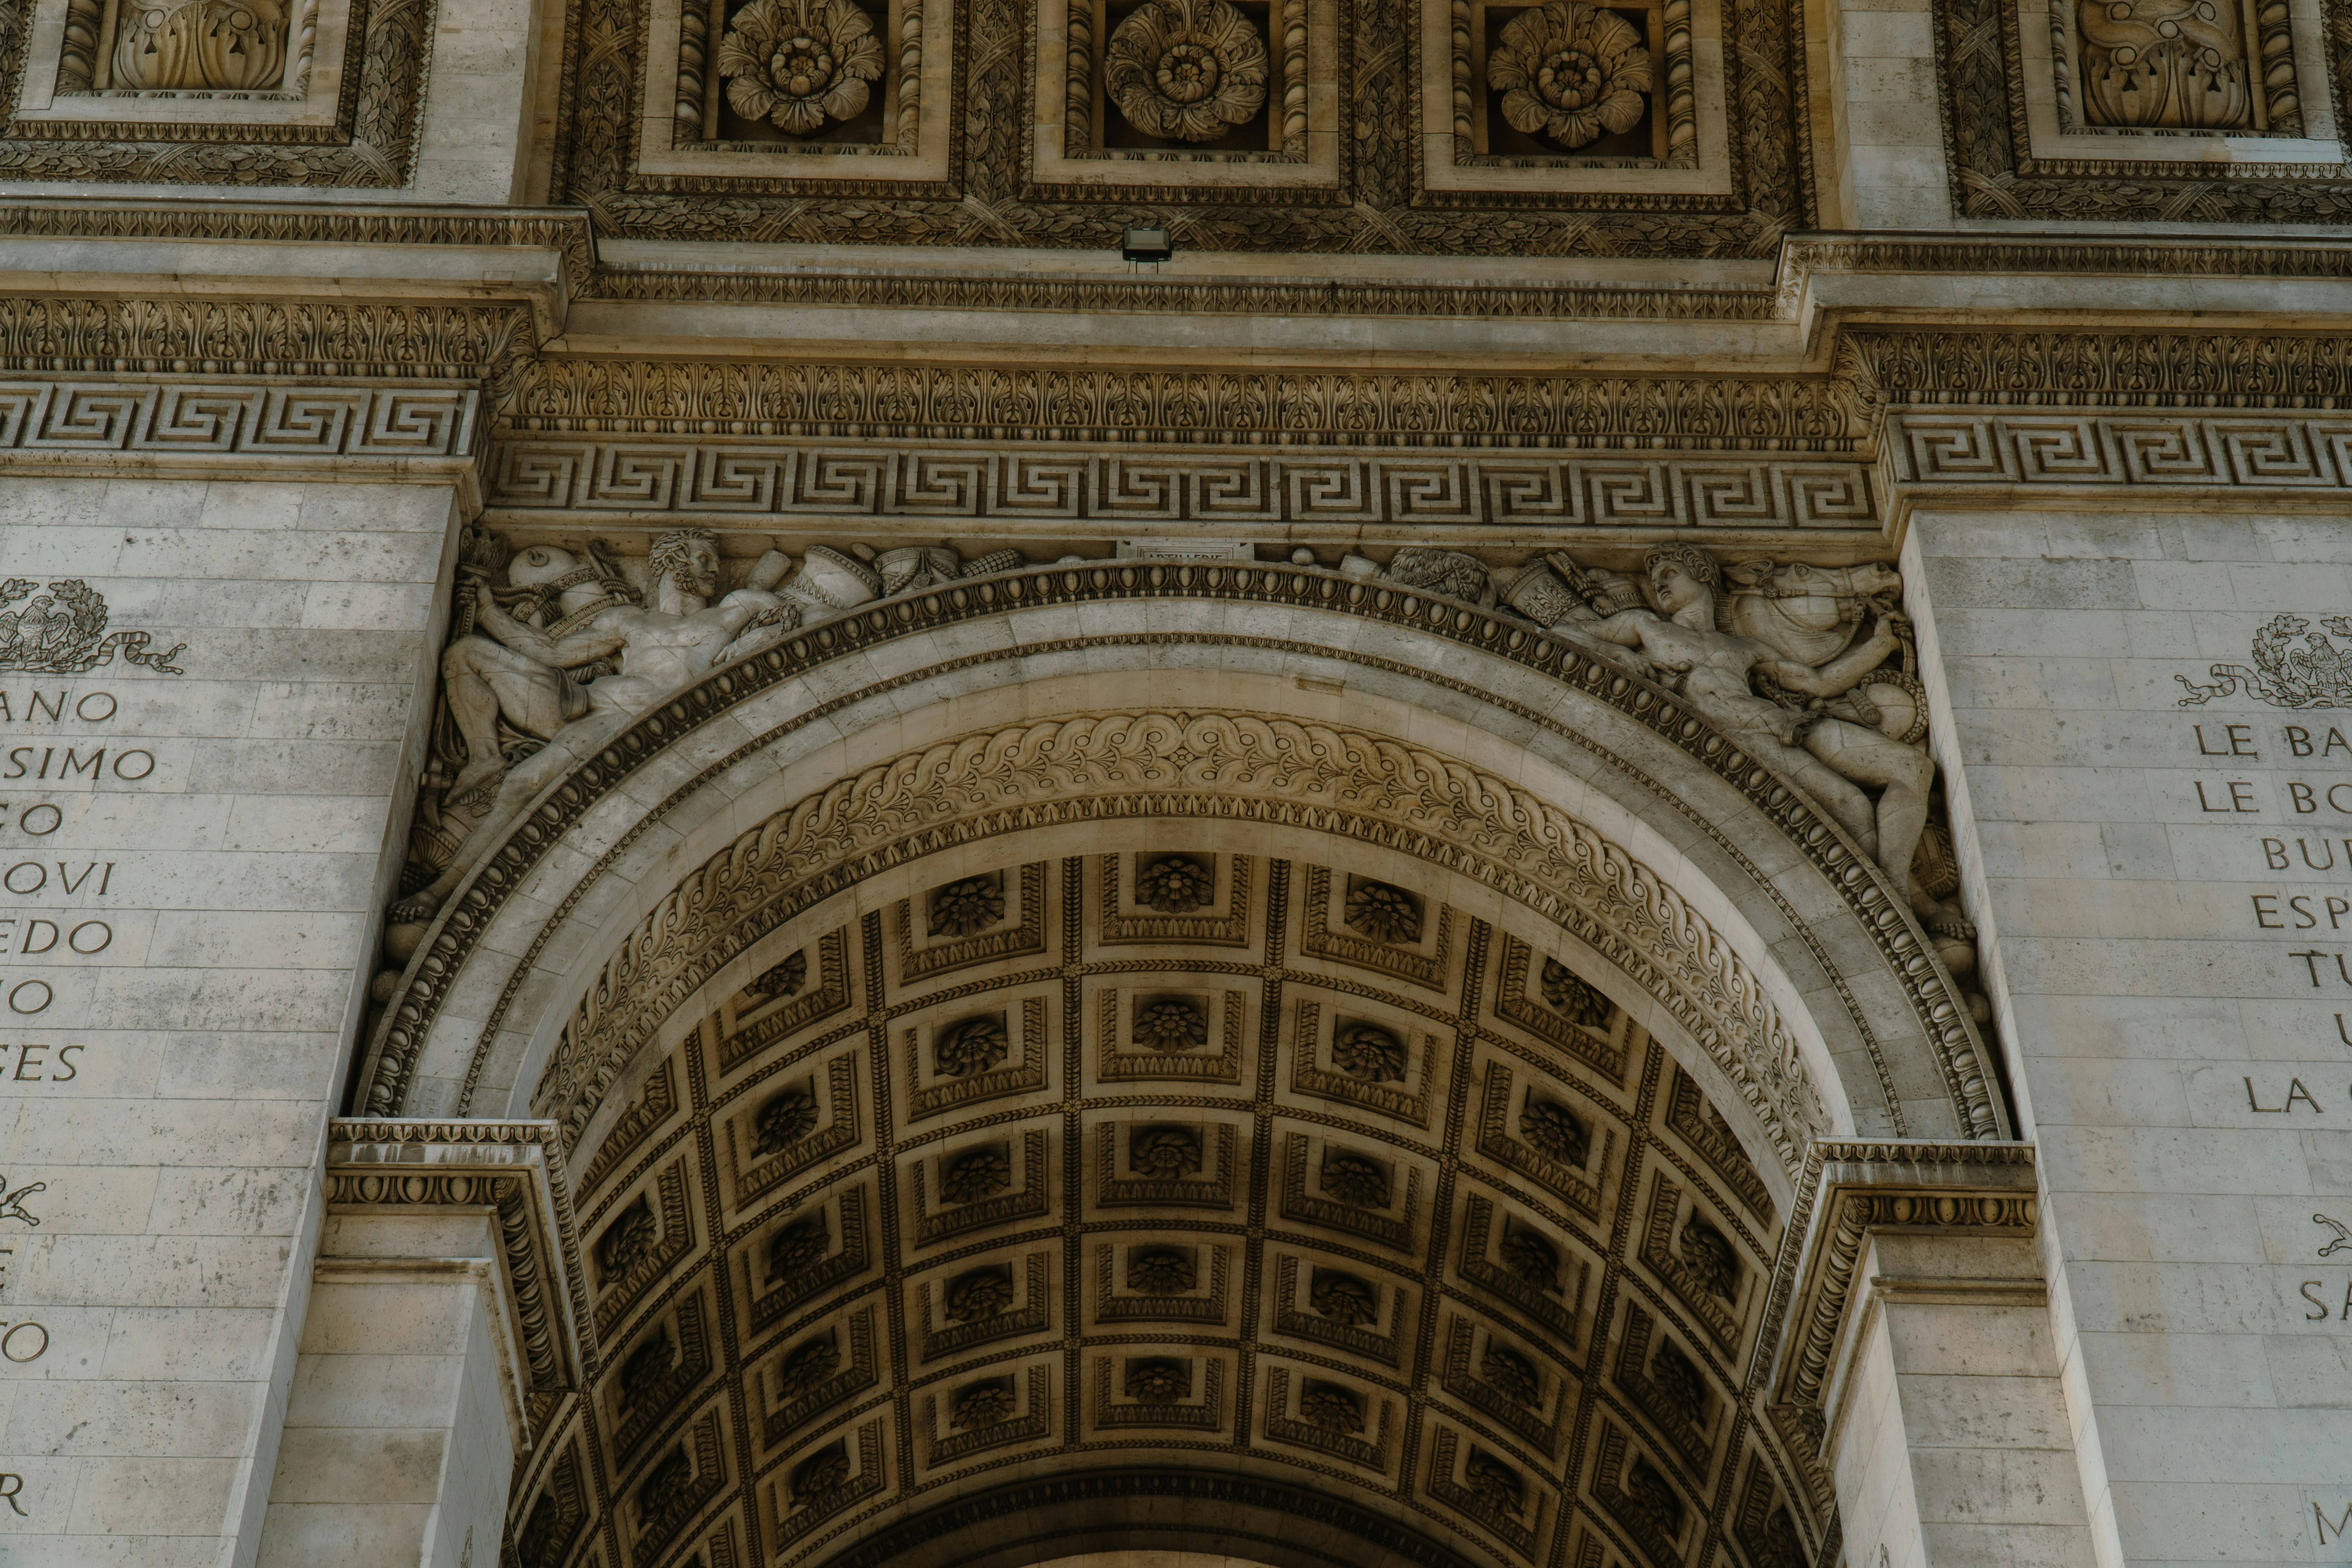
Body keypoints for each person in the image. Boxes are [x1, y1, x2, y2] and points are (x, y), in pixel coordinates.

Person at [1550, 544, 1964, 935]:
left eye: (1670, 572)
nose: (1658, 582)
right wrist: (1625, 658)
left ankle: (1898, 894)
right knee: (1852, 806)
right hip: (1735, 740)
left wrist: (1879, 646)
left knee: (1914, 767)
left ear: (1701, 575)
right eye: (1655, 576)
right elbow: (1568, 636)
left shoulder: (1745, 647)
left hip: (1783, 721)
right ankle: (1906, 908)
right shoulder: (1644, 626)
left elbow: (1819, 682)